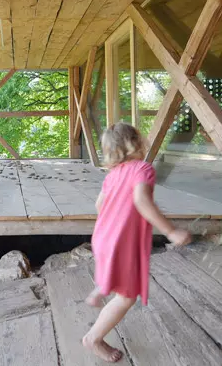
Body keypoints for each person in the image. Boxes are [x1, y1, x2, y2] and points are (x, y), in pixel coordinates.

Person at [82, 122, 191, 363]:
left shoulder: (112, 176)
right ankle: (93, 338)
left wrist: (115, 218)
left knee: (114, 270)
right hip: (121, 243)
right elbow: (142, 201)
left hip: (102, 237)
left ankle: (99, 290)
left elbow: (99, 205)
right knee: (127, 297)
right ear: (137, 143)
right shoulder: (143, 169)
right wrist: (171, 231)